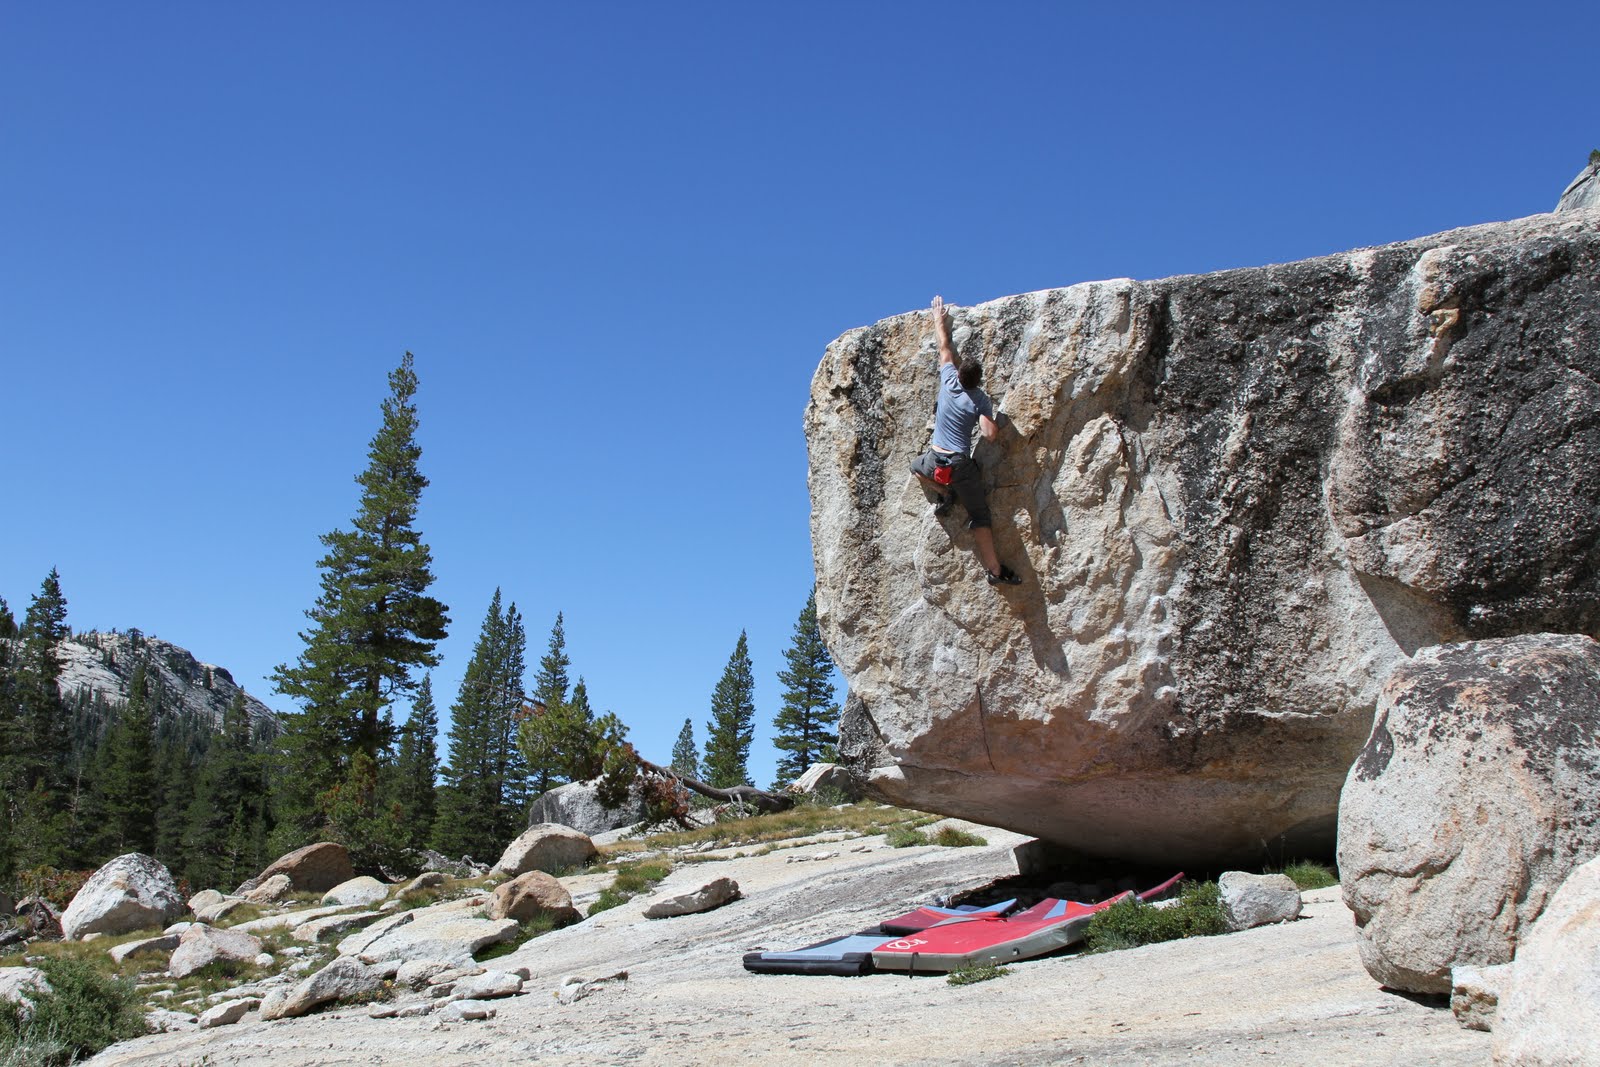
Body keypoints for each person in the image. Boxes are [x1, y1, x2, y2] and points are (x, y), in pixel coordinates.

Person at [909, 295, 1022, 585]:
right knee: (980, 515)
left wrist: (938, 318)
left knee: (914, 468)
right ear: (978, 381)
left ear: (959, 374)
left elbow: (944, 347)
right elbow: (990, 435)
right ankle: (996, 571)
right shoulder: (979, 400)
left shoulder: (948, 380)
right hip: (960, 465)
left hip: (935, 459)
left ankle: (944, 493)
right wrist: (988, 416)